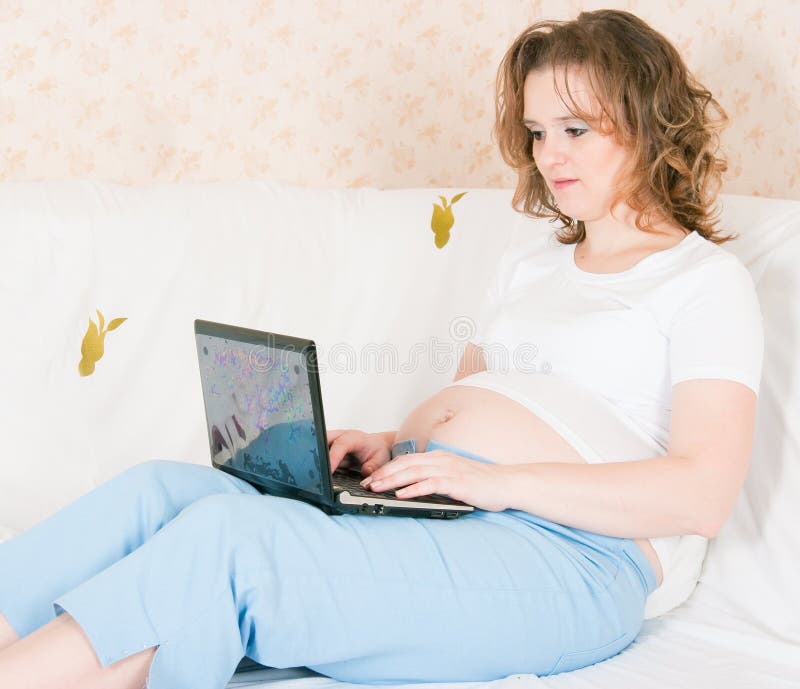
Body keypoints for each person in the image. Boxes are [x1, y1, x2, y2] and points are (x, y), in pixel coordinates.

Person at [0, 9, 762, 689]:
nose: (549, 155)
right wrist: (391, 445)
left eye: (576, 129)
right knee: (159, 492)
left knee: (231, 544)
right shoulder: (530, 264)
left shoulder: (703, 282)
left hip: (576, 556)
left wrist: (505, 483)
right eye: (536, 132)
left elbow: (701, 493)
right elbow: (477, 404)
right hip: (442, 508)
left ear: (648, 122)